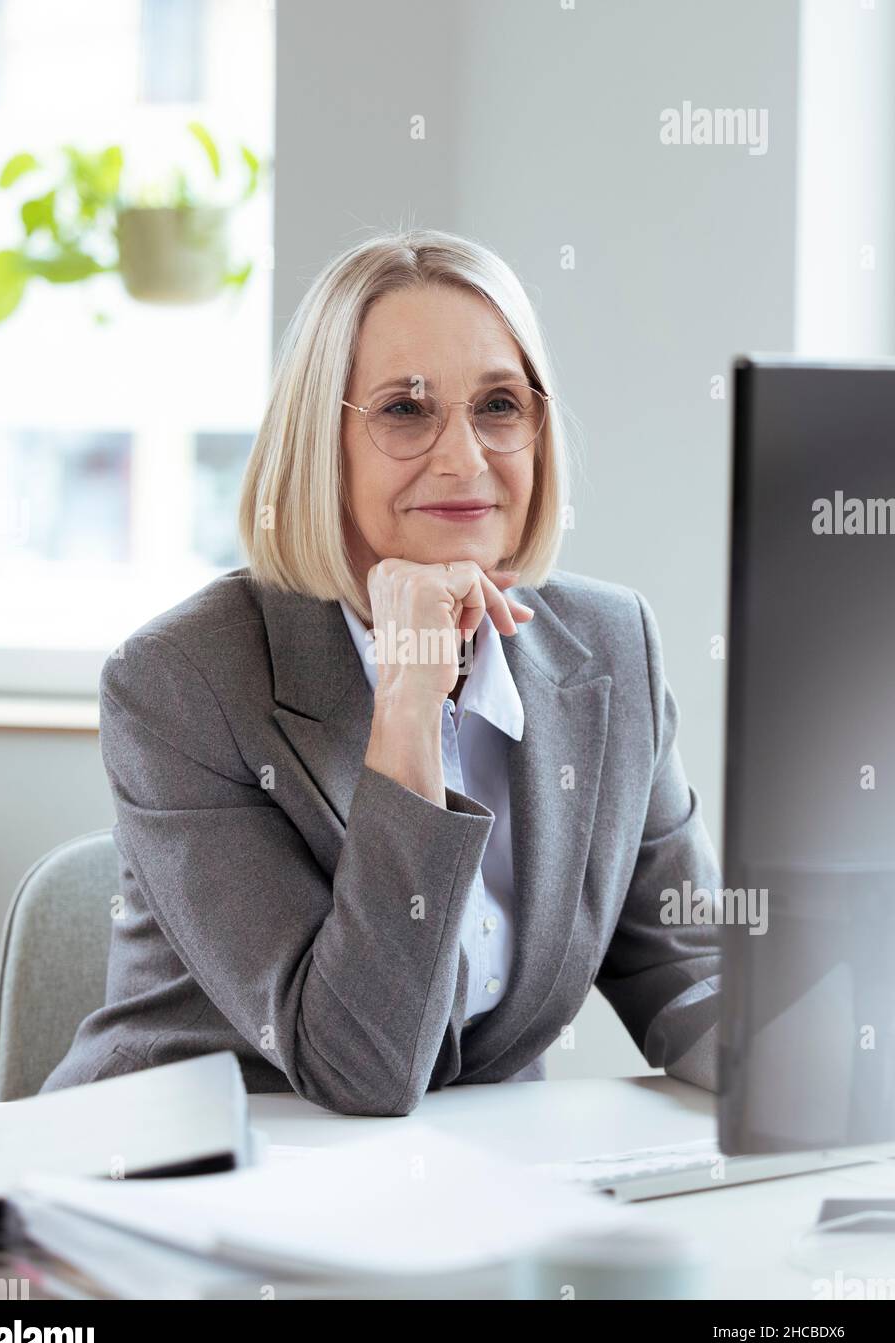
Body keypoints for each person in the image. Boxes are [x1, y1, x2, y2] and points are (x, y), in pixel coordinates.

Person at [41, 229, 721, 1112]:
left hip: (457, 1191)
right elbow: (357, 1068)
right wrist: (410, 698)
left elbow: (691, 965)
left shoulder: (611, 645)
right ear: (320, 443)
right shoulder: (181, 679)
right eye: (406, 409)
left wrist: (817, 1060)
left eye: (500, 405)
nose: (465, 457)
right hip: (190, 1182)